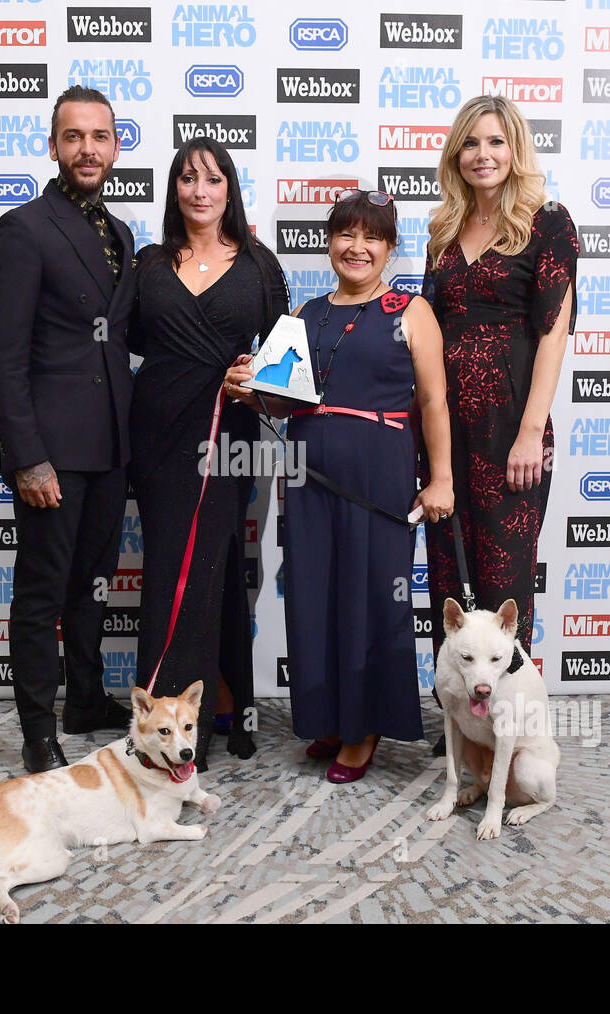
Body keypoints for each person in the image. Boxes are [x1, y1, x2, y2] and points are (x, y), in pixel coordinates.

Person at [225, 190, 454, 783]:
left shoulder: (410, 310)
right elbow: (279, 396)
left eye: (371, 237)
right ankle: (328, 716)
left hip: (379, 474)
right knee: (315, 594)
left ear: (388, 247)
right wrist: (247, 387)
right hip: (307, 474)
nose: (357, 248)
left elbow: (433, 401)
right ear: (330, 242)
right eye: (346, 235)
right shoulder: (304, 314)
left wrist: (442, 478)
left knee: (373, 596)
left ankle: (364, 727)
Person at [0, 86, 136, 775]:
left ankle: (86, 698)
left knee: (93, 582)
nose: (87, 149)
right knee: (43, 590)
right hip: (52, 449)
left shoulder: (122, 233)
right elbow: (3, 357)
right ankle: (38, 731)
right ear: (53, 146)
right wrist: (28, 456)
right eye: (74, 137)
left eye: (99, 137)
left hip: (110, 444)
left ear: (115, 147)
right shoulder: (25, 227)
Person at [129, 138, 289, 771]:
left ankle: (211, 715)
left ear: (230, 189)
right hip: (159, 434)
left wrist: (254, 376)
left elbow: (283, 363)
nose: (200, 190)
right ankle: (163, 725)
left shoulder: (258, 264)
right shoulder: (146, 264)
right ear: (174, 189)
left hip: (228, 436)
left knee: (213, 567)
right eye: (187, 178)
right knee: (171, 568)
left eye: (213, 179)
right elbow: (124, 341)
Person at [420, 95, 579, 714]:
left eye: (495, 142)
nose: (482, 155)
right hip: (443, 432)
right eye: (471, 143)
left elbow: (554, 332)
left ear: (515, 150)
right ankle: (461, 723)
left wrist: (530, 430)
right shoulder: (444, 231)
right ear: (455, 154)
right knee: (451, 581)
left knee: (504, 585)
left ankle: (508, 724)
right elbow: (426, 331)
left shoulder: (549, 223)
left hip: (509, 427)